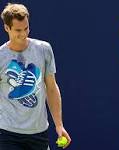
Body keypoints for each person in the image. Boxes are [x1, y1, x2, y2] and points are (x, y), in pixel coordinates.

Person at [0, 3, 71, 150]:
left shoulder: (44, 49)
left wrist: (59, 125)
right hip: (7, 133)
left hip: (39, 133)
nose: (24, 34)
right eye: (18, 30)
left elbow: (51, 88)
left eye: (26, 28)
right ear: (7, 28)